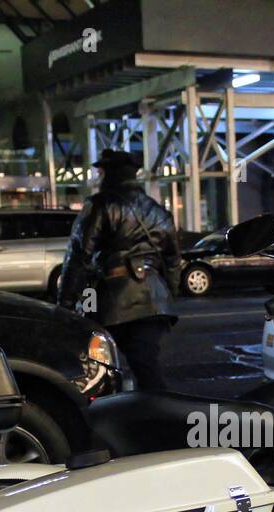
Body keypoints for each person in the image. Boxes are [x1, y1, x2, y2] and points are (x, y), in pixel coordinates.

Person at [57, 149, 182, 390]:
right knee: (146, 368)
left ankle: (110, 419)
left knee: (96, 366)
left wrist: (66, 302)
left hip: (111, 298)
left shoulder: (100, 205)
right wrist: (168, 296)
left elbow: (79, 254)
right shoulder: (159, 211)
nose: (99, 177)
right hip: (153, 299)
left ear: (110, 174)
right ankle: (158, 418)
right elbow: (173, 261)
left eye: (101, 171)